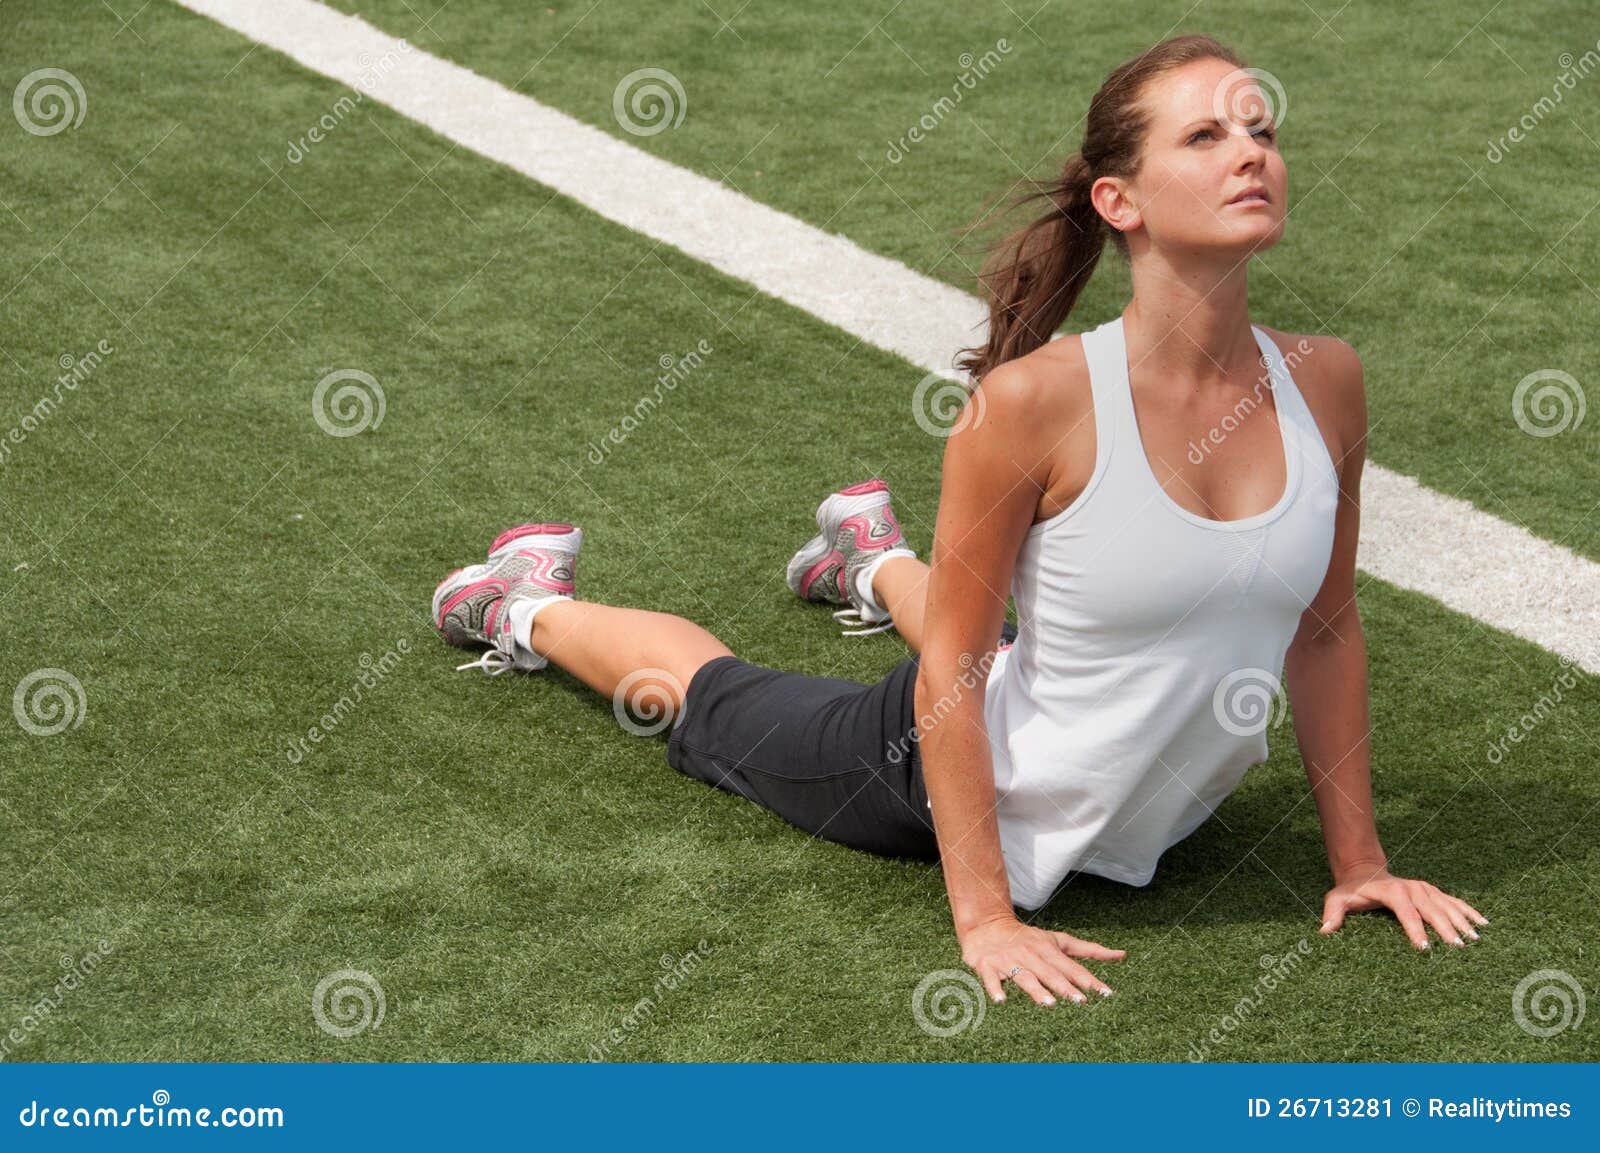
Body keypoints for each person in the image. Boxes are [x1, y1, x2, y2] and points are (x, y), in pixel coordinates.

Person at [430, 32, 1487, 1009]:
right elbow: (954, 675)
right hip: (921, 763)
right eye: (1205, 135)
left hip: (1118, 769)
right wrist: (984, 913)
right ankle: (522, 602)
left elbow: (1325, 626)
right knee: (716, 703)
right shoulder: (1031, 405)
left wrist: (1361, 864)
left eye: (1261, 130)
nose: (1249, 153)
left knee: (1025, 624)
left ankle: (868, 558)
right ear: (1120, 200)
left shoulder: (1325, 380)